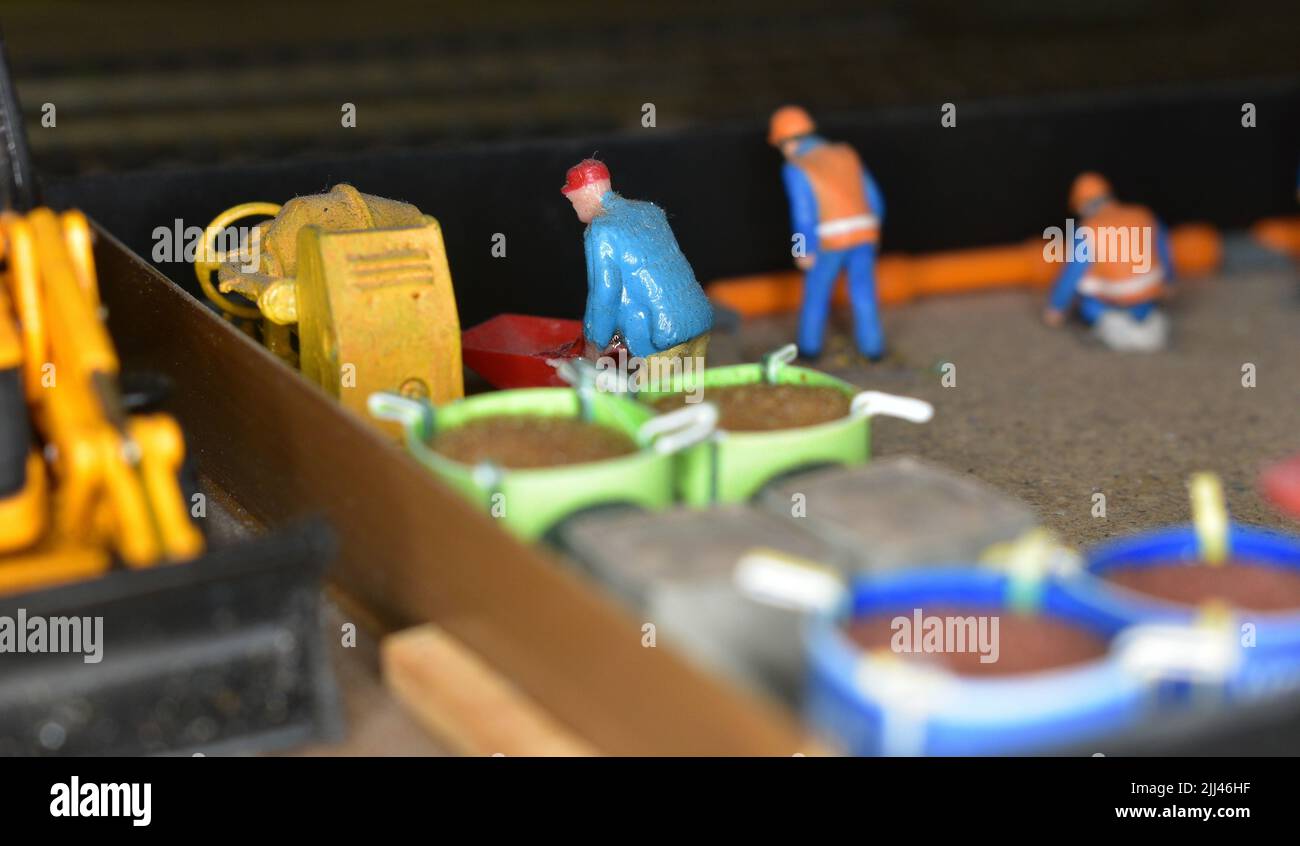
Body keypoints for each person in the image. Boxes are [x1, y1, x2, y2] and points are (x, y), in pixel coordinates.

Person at [769, 105, 885, 361]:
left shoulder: (797, 167)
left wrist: (803, 249)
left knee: (817, 293)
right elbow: (874, 197)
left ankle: (810, 348)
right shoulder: (846, 153)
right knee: (864, 292)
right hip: (865, 233)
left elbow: (803, 215)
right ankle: (873, 348)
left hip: (829, 241)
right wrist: (874, 230)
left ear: (787, 142)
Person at [1044, 172, 1174, 352]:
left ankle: (1106, 320)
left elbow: (1072, 275)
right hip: (1148, 294)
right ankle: (1142, 315)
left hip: (1108, 299)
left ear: (1081, 205)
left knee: (1087, 303)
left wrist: (1056, 307)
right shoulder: (1143, 215)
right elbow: (1164, 252)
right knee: (1140, 304)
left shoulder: (1087, 231)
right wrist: (1168, 282)